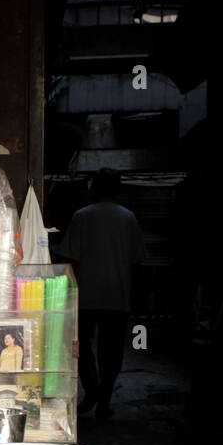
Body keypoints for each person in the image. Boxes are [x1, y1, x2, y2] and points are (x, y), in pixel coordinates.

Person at [57, 168, 145, 419]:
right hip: (118, 297)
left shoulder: (81, 217)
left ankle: (92, 391)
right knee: (112, 351)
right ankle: (103, 400)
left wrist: (64, 297)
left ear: (93, 187)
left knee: (81, 348)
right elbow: (137, 263)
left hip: (85, 297)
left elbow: (68, 260)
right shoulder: (128, 218)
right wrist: (137, 297)